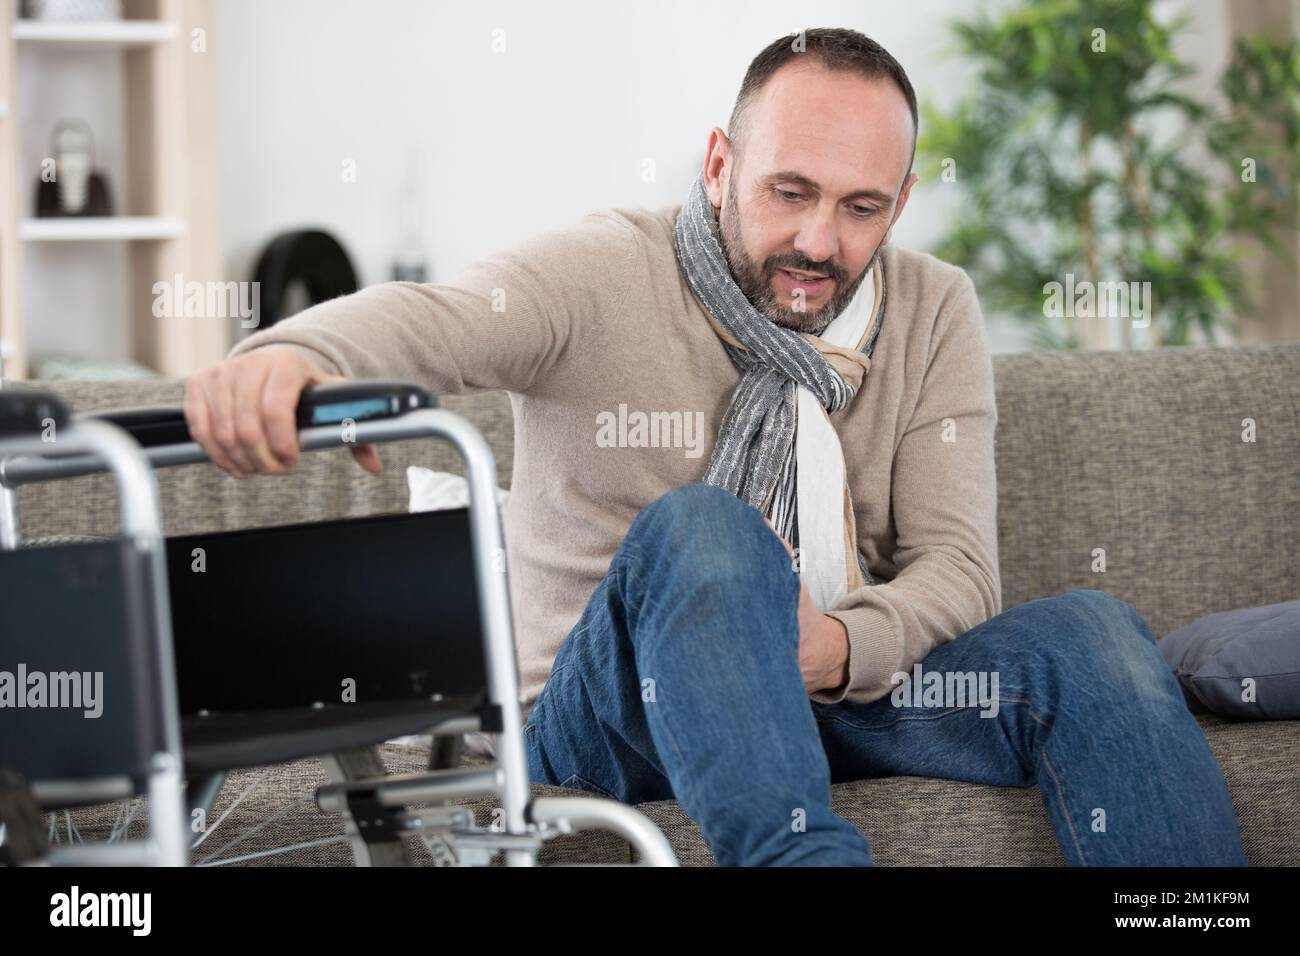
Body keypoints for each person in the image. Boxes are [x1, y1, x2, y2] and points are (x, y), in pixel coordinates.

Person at [185, 27, 1246, 866]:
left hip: (837, 698)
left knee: (1096, 634)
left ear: (903, 201)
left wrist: (828, 647)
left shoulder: (931, 309)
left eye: (861, 207)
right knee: (707, 530)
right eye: (790, 191)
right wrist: (296, 351)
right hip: (609, 719)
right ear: (718, 162)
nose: (819, 243)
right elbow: (436, 318)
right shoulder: (605, 269)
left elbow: (959, 570)